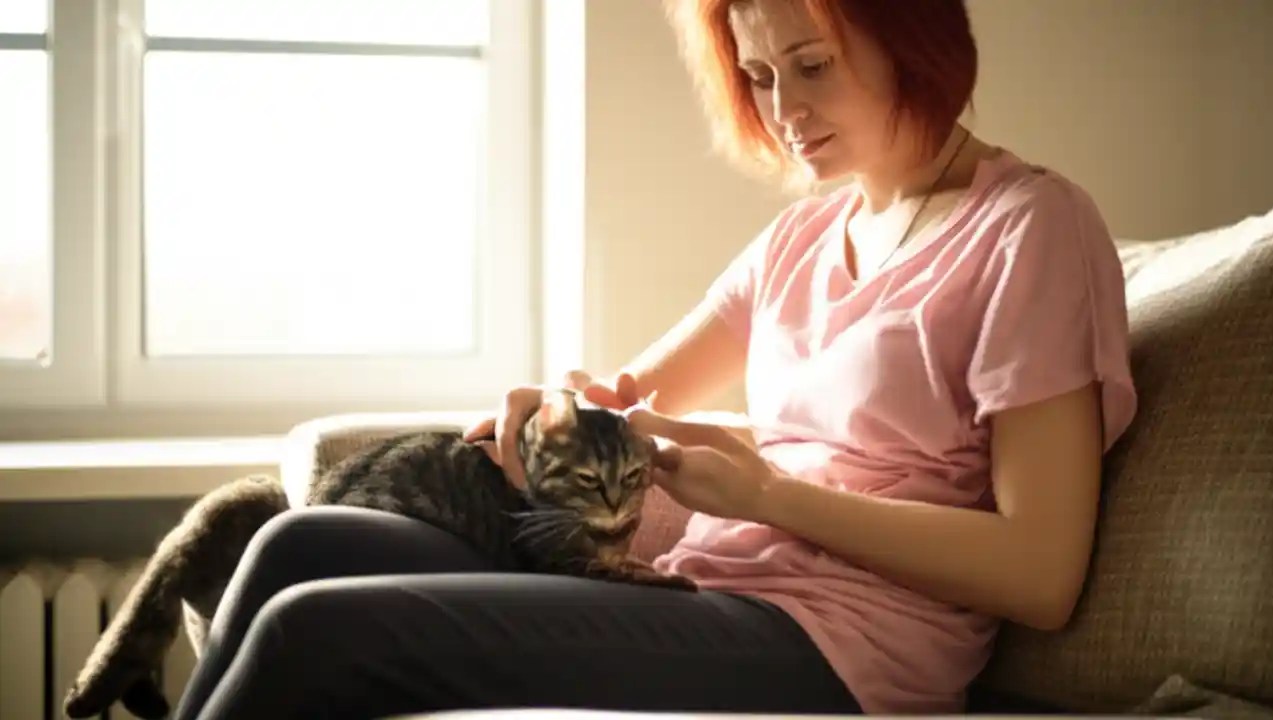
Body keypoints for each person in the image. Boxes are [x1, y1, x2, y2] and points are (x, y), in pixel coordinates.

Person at [172, 0, 1138, 717]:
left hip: (844, 652)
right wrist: (550, 405)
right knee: (294, 544)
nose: (784, 110)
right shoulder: (802, 239)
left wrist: (772, 498)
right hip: (712, 580)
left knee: (318, 631)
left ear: (912, 40)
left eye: (811, 66)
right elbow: (625, 394)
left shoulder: (1031, 228)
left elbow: (1042, 574)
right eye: (761, 77)